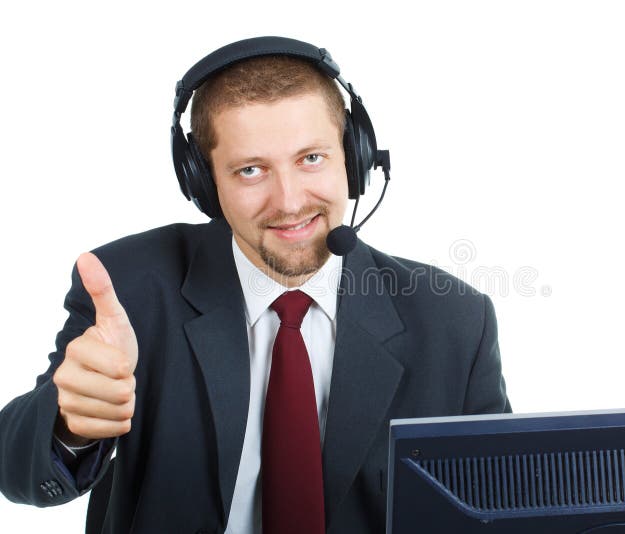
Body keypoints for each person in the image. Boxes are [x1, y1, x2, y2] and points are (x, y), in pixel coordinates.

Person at [0, 36, 510, 533]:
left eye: (312, 158)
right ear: (203, 183)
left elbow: (501, 504)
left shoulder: (454, 321)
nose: (288, 202)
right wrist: (69, 426)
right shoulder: (131, 289)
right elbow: (15, 472)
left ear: (355, 160)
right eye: (250, 170)